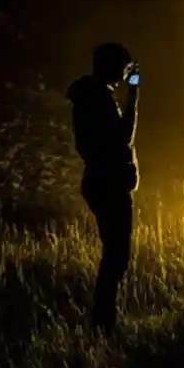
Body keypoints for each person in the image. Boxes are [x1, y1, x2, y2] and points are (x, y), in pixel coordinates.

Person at [66, 42, 140, 333]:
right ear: (111, 66)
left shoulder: (90, 96)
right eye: (123, 68)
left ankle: (104, 319)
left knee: (114, 253)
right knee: (116, 256)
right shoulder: (99, 98)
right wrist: (133, 98)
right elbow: (122, 138)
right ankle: (103, 322)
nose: (125, 75)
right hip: (108, 183)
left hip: (100, 181)